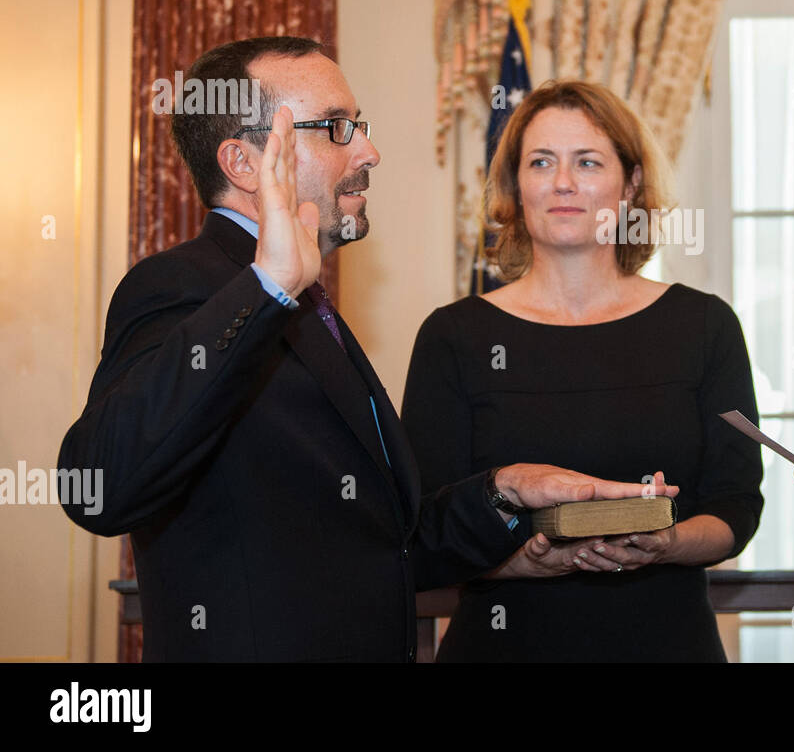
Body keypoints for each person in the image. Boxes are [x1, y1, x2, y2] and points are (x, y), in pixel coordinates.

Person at [59, 37, 673, 662]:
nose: (369, 151)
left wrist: (507, 490)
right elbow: (99, 487)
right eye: (336, 128)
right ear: (245, 164)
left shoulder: (309, 306)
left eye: (360, 125)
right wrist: (265, 287)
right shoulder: (185, 286)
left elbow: (385, 544)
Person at [402, 80, 763, 662]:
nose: (563, 182)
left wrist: (664, 544)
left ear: (631, 186)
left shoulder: (704, 325)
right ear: (515, 187)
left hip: (668, 645)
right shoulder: (454, 336)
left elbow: (736, 506)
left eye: (587, 162)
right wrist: (532, 563)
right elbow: (424, 529)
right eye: (541, 162)